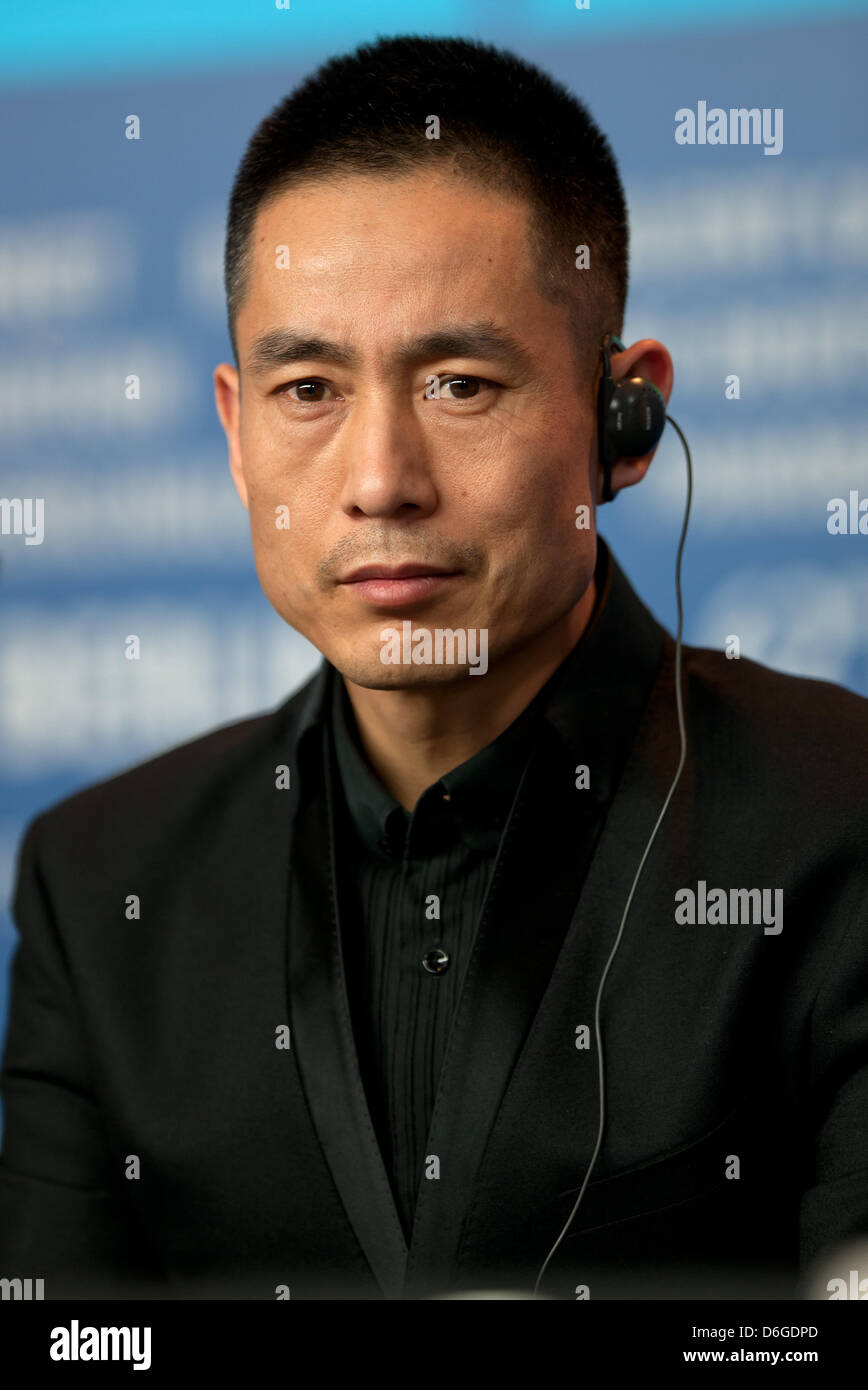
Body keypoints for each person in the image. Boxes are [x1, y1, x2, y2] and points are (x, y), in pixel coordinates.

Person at [0, 35, 866, 1302]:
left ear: (624, 418)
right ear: (237, 437)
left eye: (460, 382)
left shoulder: (837, 820)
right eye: (309, 389)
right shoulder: (101, 885)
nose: (378, 482)